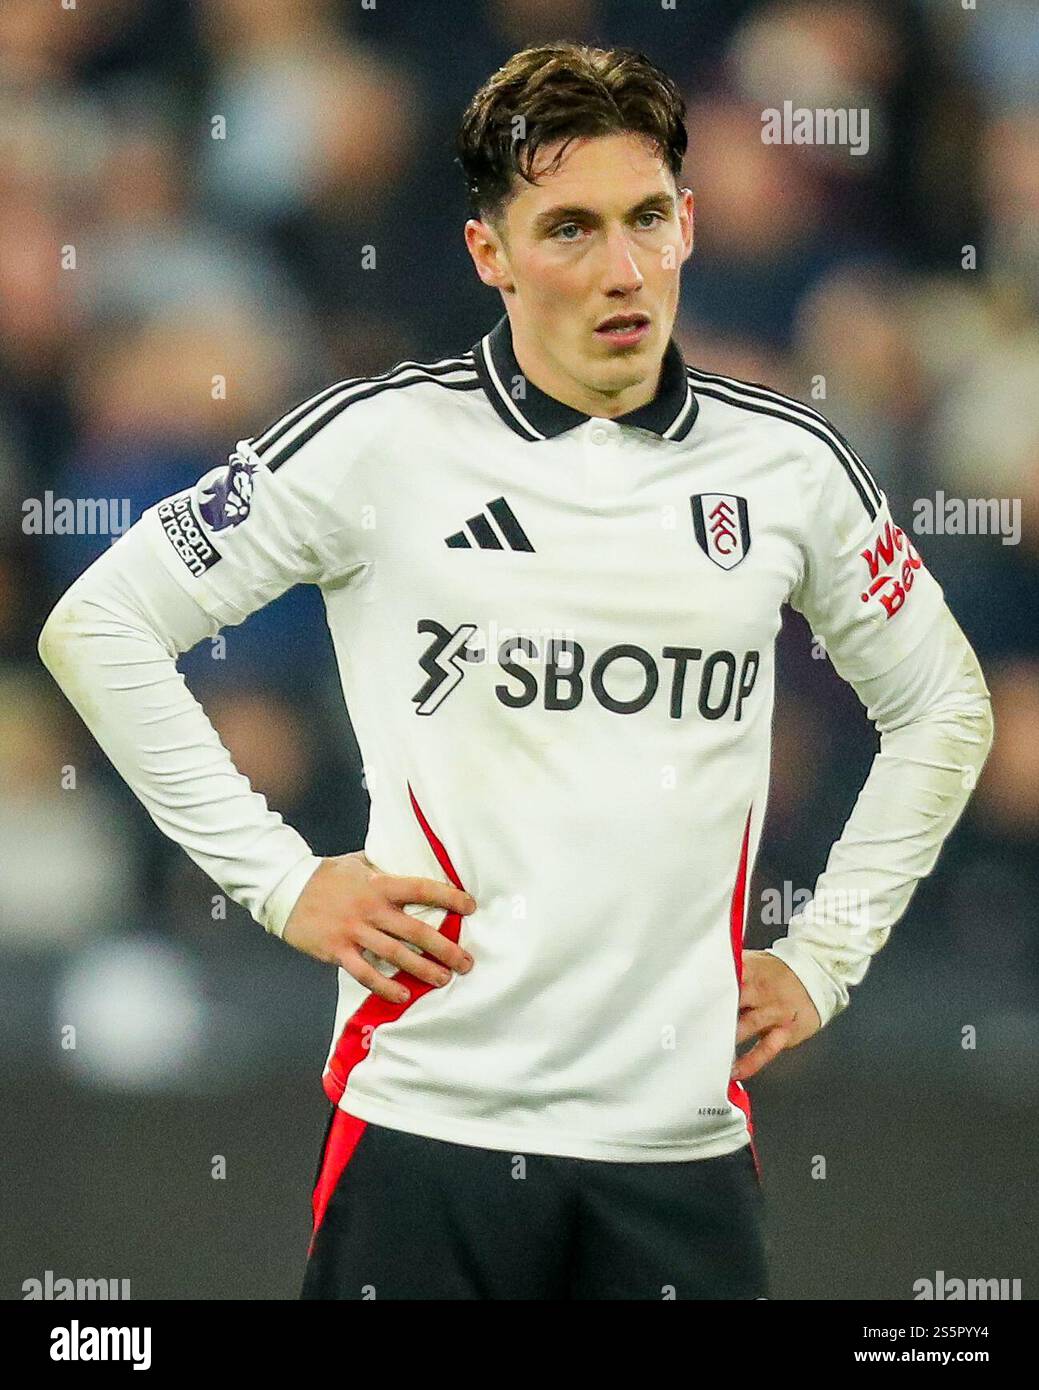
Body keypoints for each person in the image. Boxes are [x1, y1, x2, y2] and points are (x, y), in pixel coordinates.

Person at [38, 42, 994, 1300]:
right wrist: (278, 881)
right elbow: (98, 625)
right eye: (570, 228)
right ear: (491, 254)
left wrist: (824, 956)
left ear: (690, 223)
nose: (621, 269)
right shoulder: (381, 443)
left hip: (676, 1145)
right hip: (429, 1125)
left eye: (648, 218)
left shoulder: (789, 467)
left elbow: (943, 706)